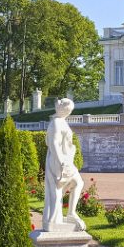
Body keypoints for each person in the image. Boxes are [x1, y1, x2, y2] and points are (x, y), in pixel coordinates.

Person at [43, 98, 86, 232]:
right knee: (60, 188)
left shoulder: (60, 121)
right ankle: (54, 221)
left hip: (64, 159)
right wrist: (61, 161)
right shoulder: (56, 122)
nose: (69, 112)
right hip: (59, 160)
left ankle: (66, 215)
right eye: (68, 109)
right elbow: (54, 143)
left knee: (76, 183)